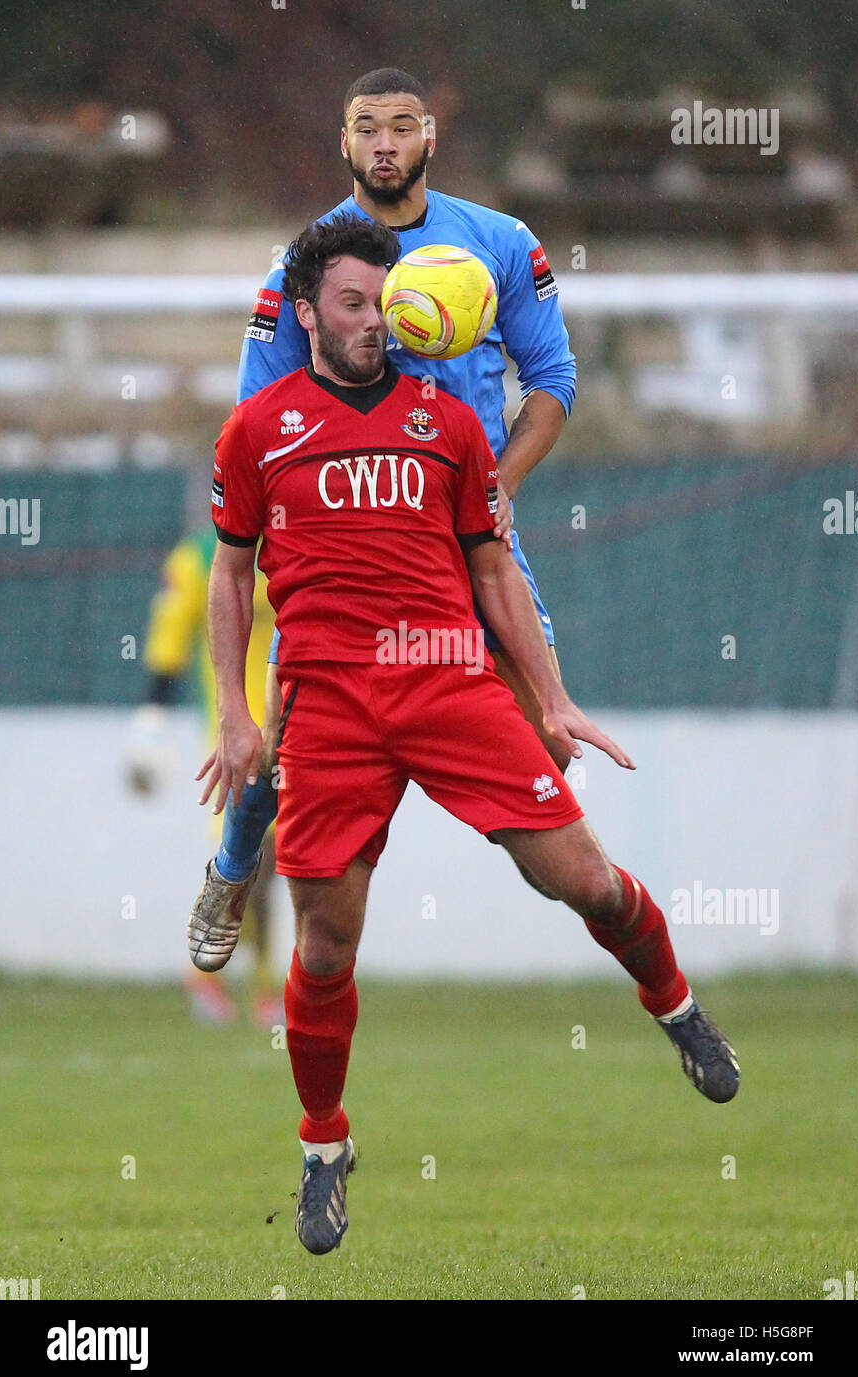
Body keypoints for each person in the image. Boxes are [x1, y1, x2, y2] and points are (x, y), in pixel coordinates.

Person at [196, 215, 739, 1257]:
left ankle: (672, 1005)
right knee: (324, 942)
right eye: (351, 304)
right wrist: (236, 712)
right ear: (306, 313)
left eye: (382, 300)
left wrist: (554, 695)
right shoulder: (257, 429)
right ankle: (323, 1147)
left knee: (582, 880)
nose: (372, 321)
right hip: (331, 705)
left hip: (449, 680)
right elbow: (228, 571)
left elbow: (492, 567)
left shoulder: (446, 424)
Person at [188, 65, 577, 952]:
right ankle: (233, 868)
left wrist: (499, 485)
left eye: (404, 127)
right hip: (345, 538)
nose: (386, 144)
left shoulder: (500, 241)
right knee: (278, 745)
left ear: (430, 138)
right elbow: (258, 414)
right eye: (369, 128)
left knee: (548, 746)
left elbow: (552, 379)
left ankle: (564, 871)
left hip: (466, 538)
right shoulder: (309, 261)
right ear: (346, 142)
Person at [126, 528, 281, 1027]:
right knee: (259, 858)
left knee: (278, 865)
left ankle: (233, 978)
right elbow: (167, 642)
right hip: (233, 736)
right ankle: (255, 986)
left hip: (296, 728)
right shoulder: (198, 558)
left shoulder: (298, 540)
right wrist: (151, 724)